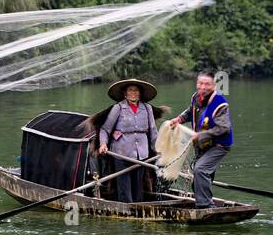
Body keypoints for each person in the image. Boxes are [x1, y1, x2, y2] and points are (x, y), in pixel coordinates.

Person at [166, 70, 232, 208]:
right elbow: (190, 111)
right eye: (200, 83)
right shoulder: (196, 97)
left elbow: (223, 128)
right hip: (201, 146)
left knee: (200, 169)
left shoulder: (220, 103)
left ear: (214, 86)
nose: (203, 87)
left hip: (218, 146)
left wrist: (200, 135)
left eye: (207, 84)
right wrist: (179, 119)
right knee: (201, 175)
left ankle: (205, 206)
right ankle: (204, 200)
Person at [97, 79, 158, 202]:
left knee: (138, 190)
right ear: (125, 93)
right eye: (130, 90)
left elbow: (153, 131)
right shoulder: (118, 108)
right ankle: (126, 211)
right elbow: (105, 129)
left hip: (141, 155)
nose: (133, 93)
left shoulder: (147, 108)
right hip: (121, 153)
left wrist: (158, 150)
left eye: (136, 90)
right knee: (124, 190)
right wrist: (103, 144)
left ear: (140, 93)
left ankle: (137, 210)